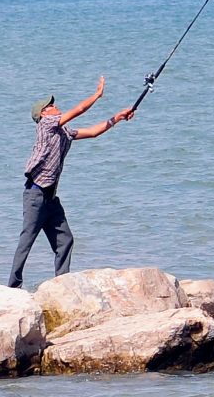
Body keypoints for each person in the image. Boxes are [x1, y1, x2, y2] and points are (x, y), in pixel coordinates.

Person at [8, 75, 133, 289]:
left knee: (65, 240)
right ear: (43, 114)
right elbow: (78, 111)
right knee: (27, 239)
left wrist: (117, 117)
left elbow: (93, 132)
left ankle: (61, 285)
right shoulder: (45, 126)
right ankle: (13, 286)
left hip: (51, 198)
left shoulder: (63, 131)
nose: (55, 106)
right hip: (35, 194)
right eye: (50, 105)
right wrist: (97, 95)